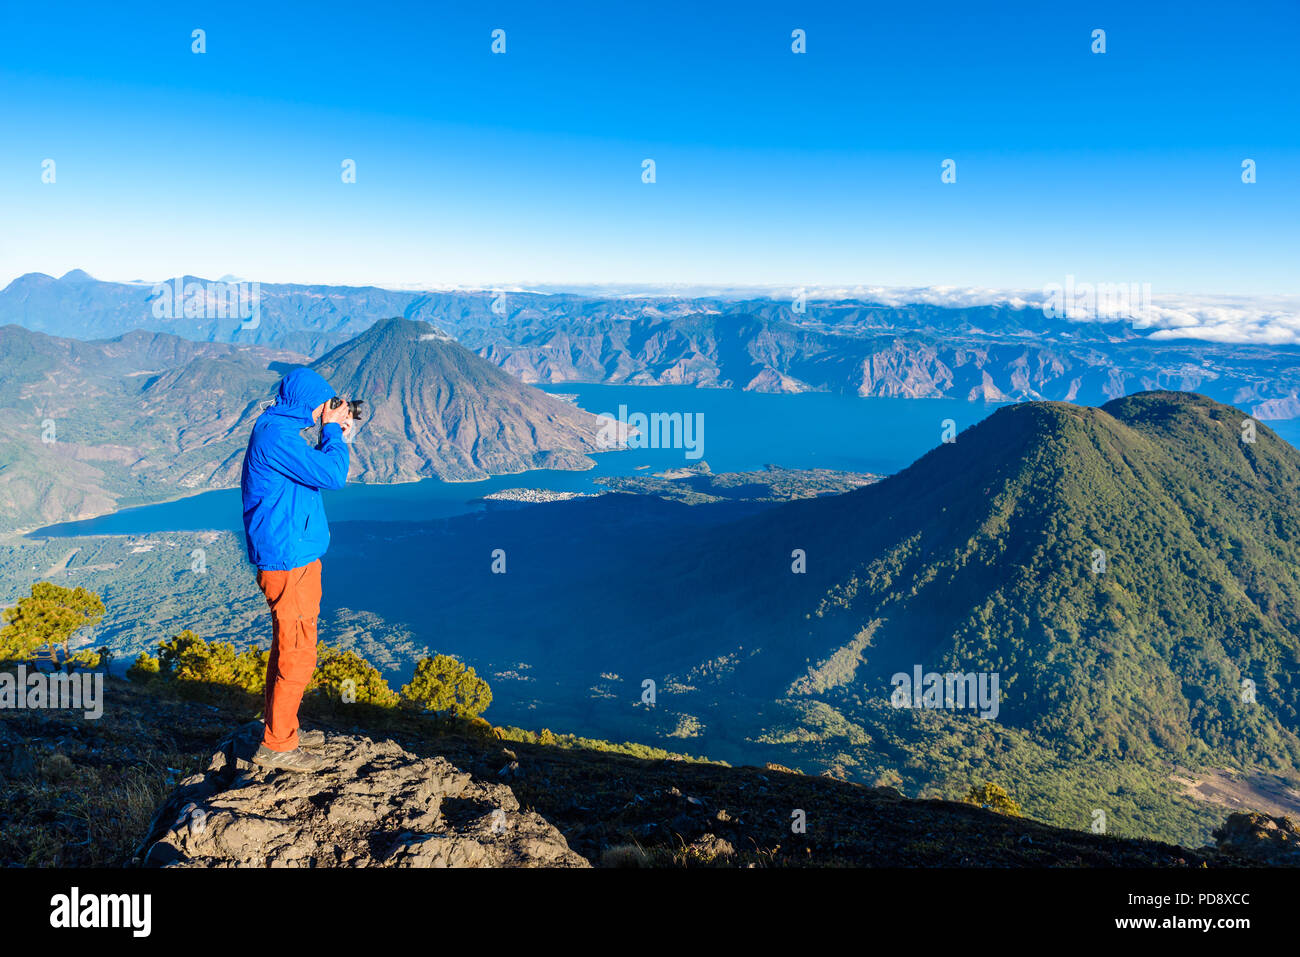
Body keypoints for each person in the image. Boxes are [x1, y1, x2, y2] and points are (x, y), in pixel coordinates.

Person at [240, 368, 352, 771]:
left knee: (287, 647)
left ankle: (279, 731)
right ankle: (278, 746)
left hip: (292, 556)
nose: (331, 410)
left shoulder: (275, 430)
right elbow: (334, 475)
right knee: (299, 651)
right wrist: (334, 433)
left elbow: (316, 471)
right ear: (310, 402)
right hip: (290, 563)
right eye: (327, 402)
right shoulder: (277, 438)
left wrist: (331, 431)